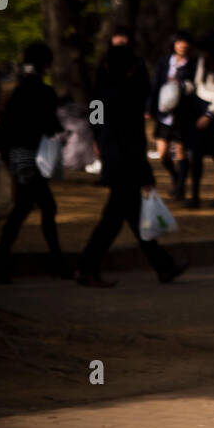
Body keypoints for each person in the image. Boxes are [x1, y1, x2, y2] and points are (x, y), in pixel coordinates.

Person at [75, 37, 187, 286]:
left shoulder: (101, 93)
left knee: (128, 218)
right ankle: (87, 267)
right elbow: (131, 142)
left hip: (114, 163)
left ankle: (162, 265)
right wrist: (145, 175)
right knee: (114, 221)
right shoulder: (125, 96)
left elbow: (97, 127)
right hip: (125, 166)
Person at [0, 42, 70, 282]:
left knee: (27, 207)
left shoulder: (18, 88)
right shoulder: (43, 91)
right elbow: (49, 124)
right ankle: (54, 263)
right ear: (47, 63)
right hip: (27, 155)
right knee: (40, 206)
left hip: (16, 153)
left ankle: (3, 261)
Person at [148, 31, 196, 200]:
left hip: (182, 114)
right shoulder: (164, 62)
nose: (182, 45)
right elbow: (155, 85)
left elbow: (194, 87)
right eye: (179, 42)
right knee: (162, 152)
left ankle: (181, 186)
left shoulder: (193, 64)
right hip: (163, 112)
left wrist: (183, 86)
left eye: (185, 42)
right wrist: (149, 108)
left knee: (181, 150)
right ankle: (175, 176)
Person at [188, 32, 214, 209]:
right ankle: (194, 195)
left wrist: (211, 114)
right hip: (200, 105)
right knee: (196, 156)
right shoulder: (202, 61)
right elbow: (198, 82)